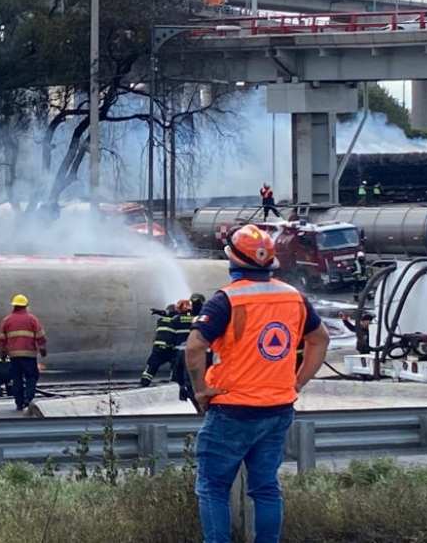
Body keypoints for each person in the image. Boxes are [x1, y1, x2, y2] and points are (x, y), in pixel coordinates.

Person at [185, 224, 330, 543]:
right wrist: (297, 383)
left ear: (234, 262)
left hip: (232, 409)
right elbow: (320, 340)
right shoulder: (294, 298)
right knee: (265, 487)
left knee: (212, 487)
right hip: (278, 408)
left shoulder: (227, 299)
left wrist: (200, 390)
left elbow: (195, 347)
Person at [0, 294, 47, 411]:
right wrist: (43, 350)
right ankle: (29, 399)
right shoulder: (32, 319)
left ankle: (19, 402)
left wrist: (2, 355)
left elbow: (1, 340)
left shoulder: (7, 320)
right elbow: (40, 337)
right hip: (29, 355)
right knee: (31, 377)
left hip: (14, 356)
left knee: (16, 379)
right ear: (26, 306)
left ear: (14, 306)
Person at [140, 301, 179, 386]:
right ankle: (174, 383)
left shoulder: (160, 320)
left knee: (151, 366)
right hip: (171, 350)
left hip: (158, 349)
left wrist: (160, 312)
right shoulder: (176, 321)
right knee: (176, 366)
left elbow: (168, 315)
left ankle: (144, 383)